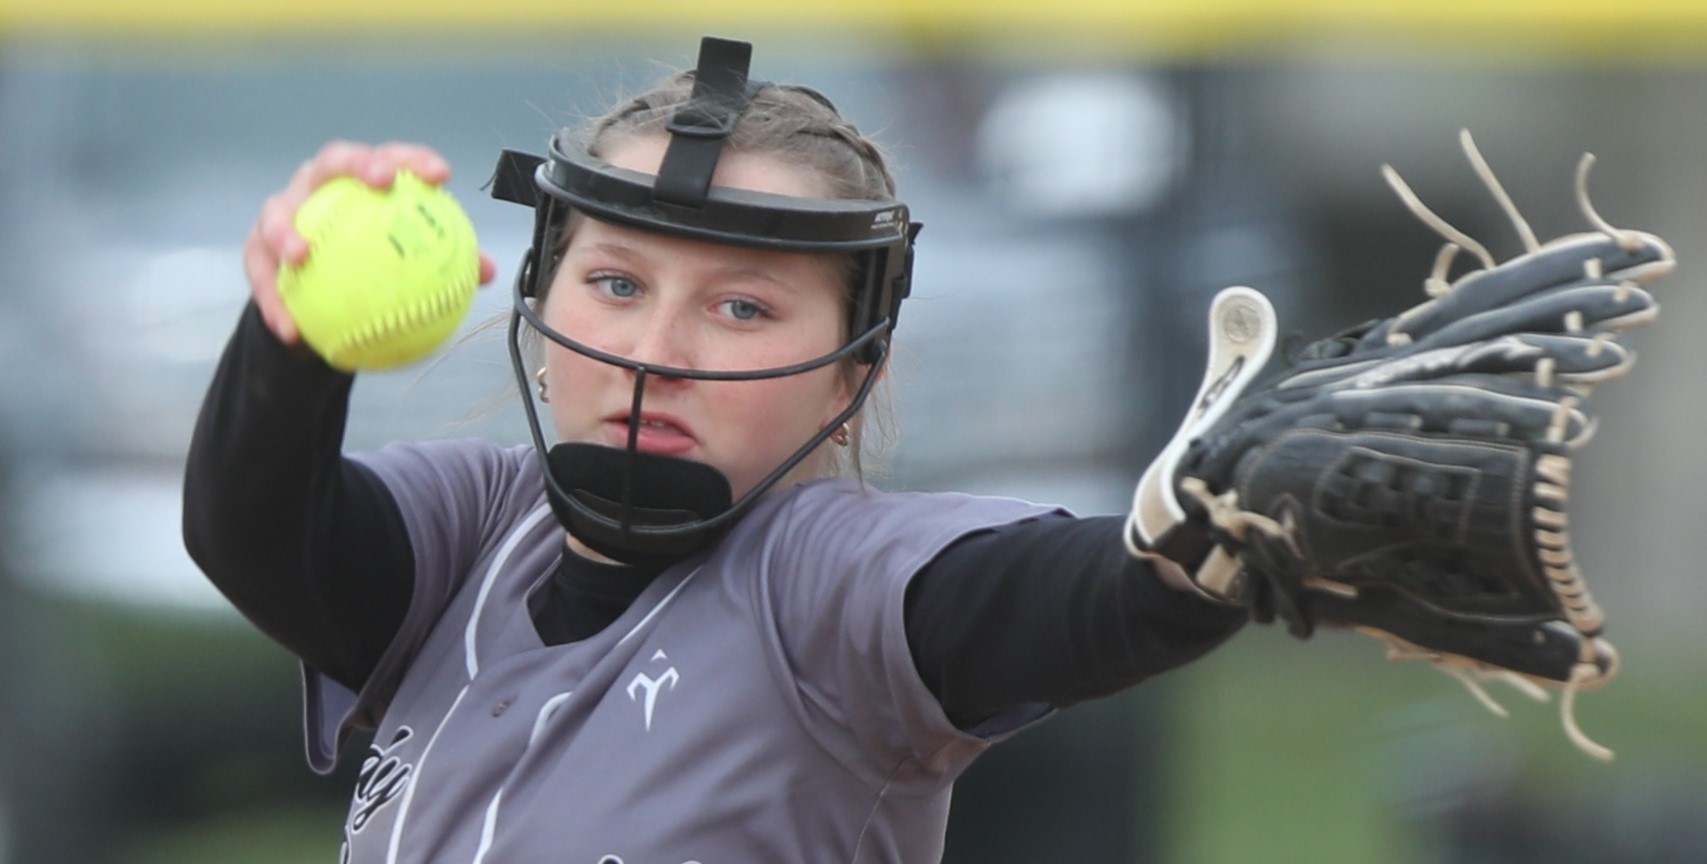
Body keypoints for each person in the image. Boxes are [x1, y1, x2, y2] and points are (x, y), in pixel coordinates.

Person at [183, 36, 1246, 863]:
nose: (658, 351)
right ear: (540, 296)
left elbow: (1046, 594)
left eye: (742, 307)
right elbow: (255, 530)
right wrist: (294, 329)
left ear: (852, 371)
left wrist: (1204, 538)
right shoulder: (474, 534)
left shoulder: (820, 585)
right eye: (617, 284)